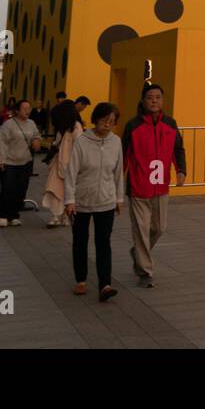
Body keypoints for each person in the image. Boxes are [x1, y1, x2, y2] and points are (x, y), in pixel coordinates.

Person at [122, 83, 186, 288]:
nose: (154, 101)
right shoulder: (133, 126)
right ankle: (145, 271)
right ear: (143, 101)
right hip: (139, 186)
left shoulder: (170, 123)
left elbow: (178, 149)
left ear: (162, 100)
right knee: (141, 230)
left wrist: (181, 170)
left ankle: (138, 252)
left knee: (159, 228)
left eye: (158, 97)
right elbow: (123, 156)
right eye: (150, 97)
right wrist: (115, 183)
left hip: (160, 185)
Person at [65, 102, 124, 301]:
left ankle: (105, 285)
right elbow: (71, 172)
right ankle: (81, 280)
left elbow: (118, 173)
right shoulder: (82, 141)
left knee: (103, 243)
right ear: (96, 118)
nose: (107, 124)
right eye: (104, 119)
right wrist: (69, 200)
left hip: (106, 200)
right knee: (80, 241)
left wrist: (119, 198)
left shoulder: (116, 142)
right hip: (81, 200)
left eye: (112, 121)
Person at [0, 99, 41, 226]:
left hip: (25, 162)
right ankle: (4, 215)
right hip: (9, 162)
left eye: (29, 108)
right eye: (24, 108)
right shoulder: (8, 124)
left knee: (21, 189)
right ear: (17, 110)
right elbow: (1, 143)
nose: (28, 111)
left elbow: (36, 135)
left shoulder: (31, 123)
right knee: (8, 189)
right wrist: (1, 160)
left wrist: (37, 141)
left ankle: (14, 215)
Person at [42, 100, 84, 227]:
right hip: (59, 163)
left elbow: (80, 148)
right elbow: (57, 143)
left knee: (66, 191)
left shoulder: (76, 128)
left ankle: (64, 215)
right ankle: (56, 216)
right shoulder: (64, 127)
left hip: (70, 166)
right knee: (54, 189)